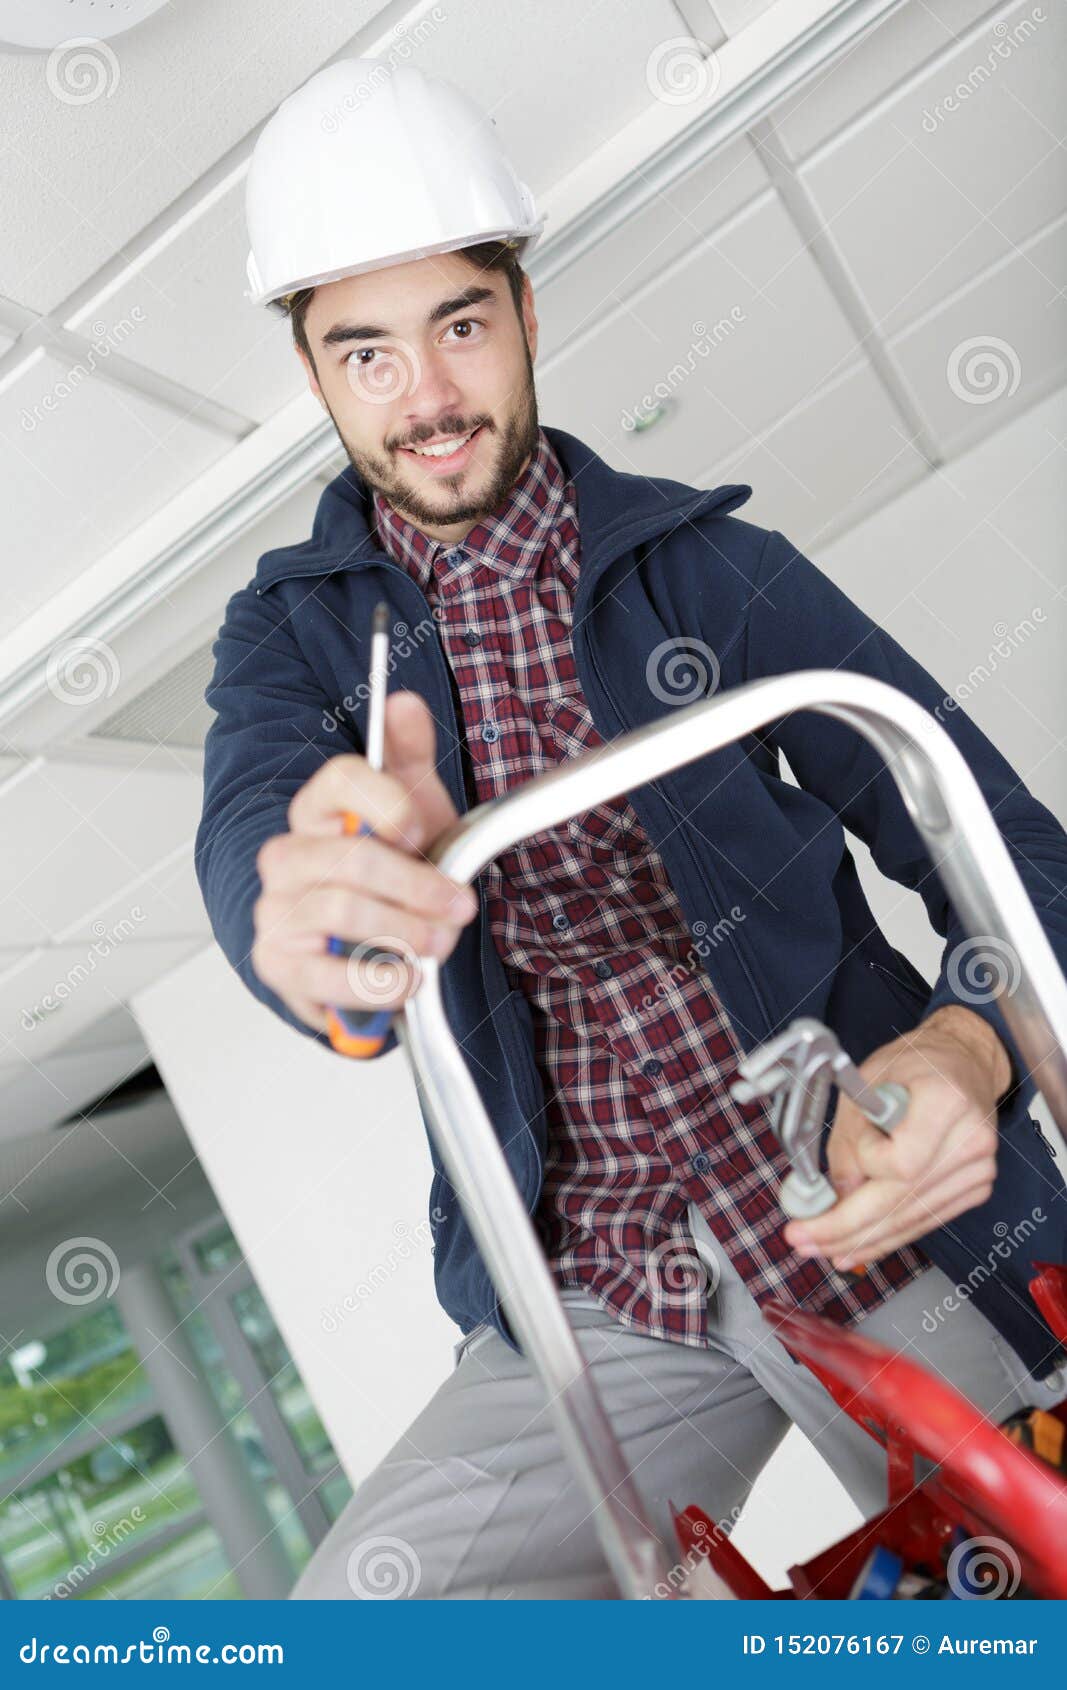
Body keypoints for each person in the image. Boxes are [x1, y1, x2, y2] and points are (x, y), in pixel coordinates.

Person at [196, 58, 1067, 1598]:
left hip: (875, 1200)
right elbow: (259, 837)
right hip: (593, 1286)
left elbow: (1016, 853)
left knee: (1026, 1587)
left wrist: (971, 1047)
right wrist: (317, 903)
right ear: (315, 376)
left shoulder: (715, 572)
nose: (428, 396)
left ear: (527, 317)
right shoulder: (295, 640)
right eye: (366, 353)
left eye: (460, 326)